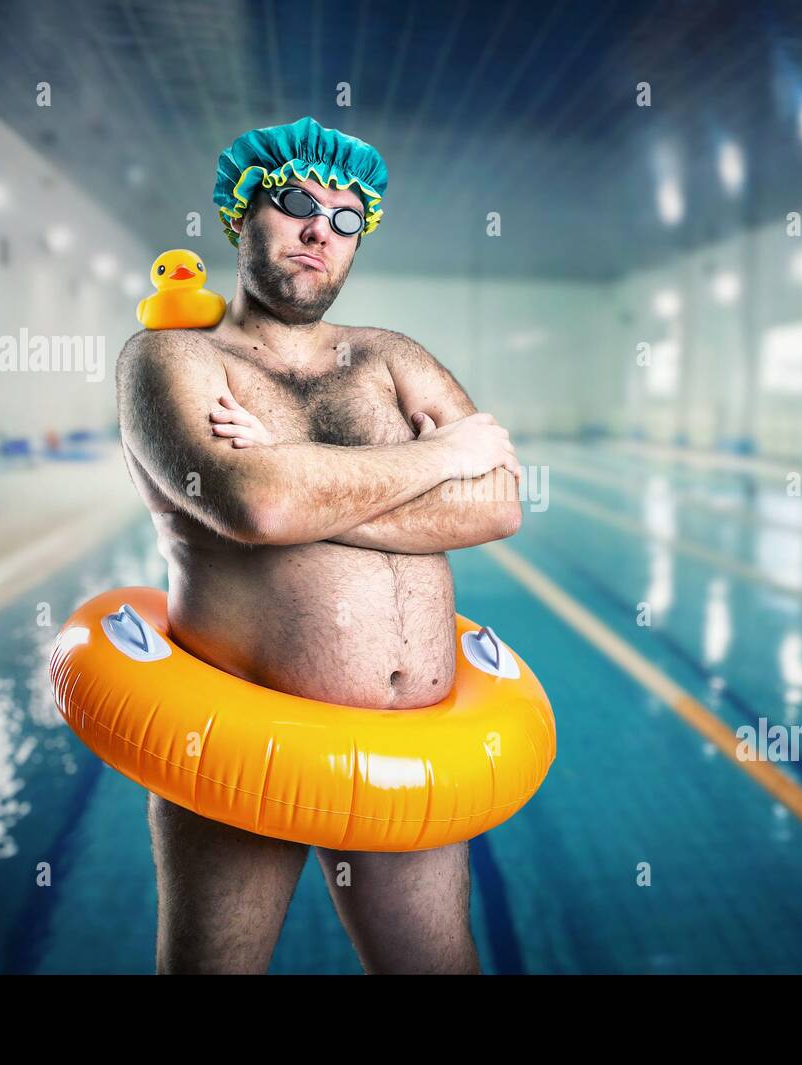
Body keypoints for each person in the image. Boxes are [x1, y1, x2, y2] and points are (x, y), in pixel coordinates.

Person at [115, 117, 522, 974]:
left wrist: (300, 480)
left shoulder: (390, 355)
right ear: (240, 217)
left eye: (345, 219)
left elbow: (498, 503)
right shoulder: (171, 360)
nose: (318, 232)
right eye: (297, 202)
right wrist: (438, 457)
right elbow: (255, 507)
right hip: (241, 746)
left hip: (408, 751)